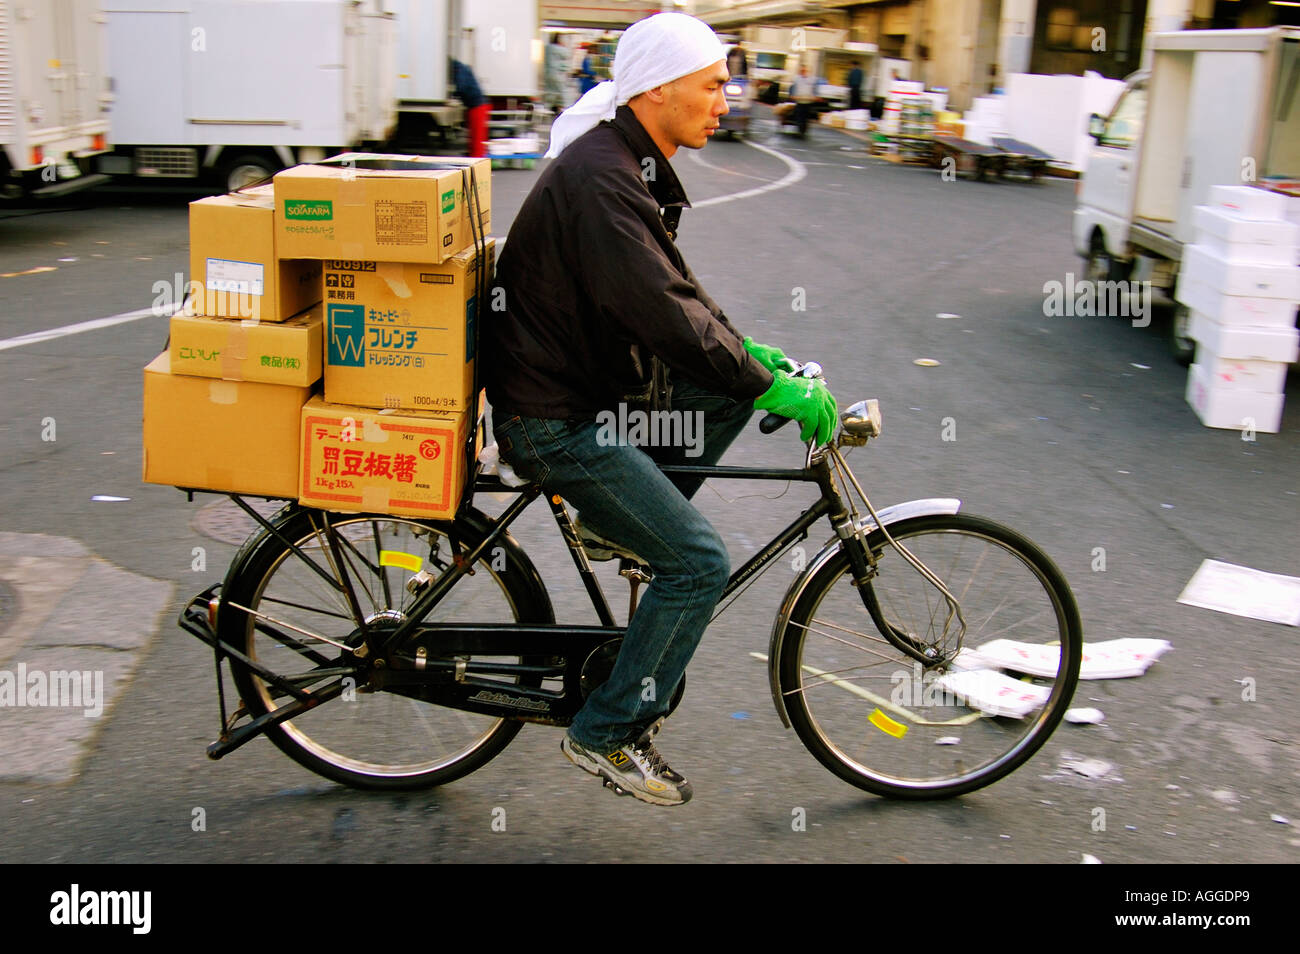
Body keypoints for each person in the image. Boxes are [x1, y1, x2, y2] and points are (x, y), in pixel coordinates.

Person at [485, 12, 837, 807]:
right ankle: (605, 733)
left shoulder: (623, 165)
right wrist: (766, 382)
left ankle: (613, 521)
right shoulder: (605, 178)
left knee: (723, 383)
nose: (727, 99)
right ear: (660, 89)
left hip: (582, 389)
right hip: (555, 418)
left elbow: (678, 293)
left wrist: (755, 362)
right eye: (714, 84)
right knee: (698, 565)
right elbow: (661, 309)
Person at [450, 58, 489, 158]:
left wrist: (452, 93)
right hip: (476, 104)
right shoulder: (462, 68)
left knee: (477, 137)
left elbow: (461, 86)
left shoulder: (459, 69)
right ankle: (474, 157)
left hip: (477, 105)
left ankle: (476, 159)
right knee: (474, 135)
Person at [788, 64, 818, 137]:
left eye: (804, 70)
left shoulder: (812, 79)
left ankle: (803, 131)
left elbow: (815, 89)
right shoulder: (796, 78)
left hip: (808, 101)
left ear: (808, 71)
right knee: (799, 116)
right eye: (802, 70)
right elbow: (792, 88)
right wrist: (791, 95)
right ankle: (800, 131)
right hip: (799, 101)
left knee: (806, 117)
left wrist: (815, 96)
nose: (803, 72)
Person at [544, 33, 570, 112]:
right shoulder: (559, 49)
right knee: (562, 92)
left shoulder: (547, 48)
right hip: (557, 75)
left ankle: (550, 107)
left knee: (551, 92)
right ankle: (564, 108)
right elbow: (567, 54)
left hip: (548, 74)